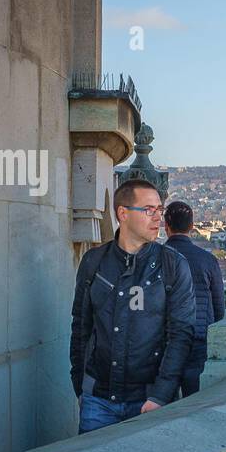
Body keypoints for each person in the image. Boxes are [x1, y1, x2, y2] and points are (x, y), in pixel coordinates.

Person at [69, 179, 195, 433]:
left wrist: (160, 395)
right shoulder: (94, 262)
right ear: (123, 213)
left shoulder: (173, 265)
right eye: (149, 210)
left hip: (149, 401)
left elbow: (181, 335)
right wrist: (81, 385)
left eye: (160, 209)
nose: (158, 217)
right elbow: (81, 327)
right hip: (98, 401)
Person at [162, 200, 226, 396]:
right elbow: (219, 309)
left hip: (164, 339)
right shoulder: (207, 260)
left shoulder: (155, 258)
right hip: (197, 340)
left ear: (166, 227)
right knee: (193, 400)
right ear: (191, 227)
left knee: (163, 401)